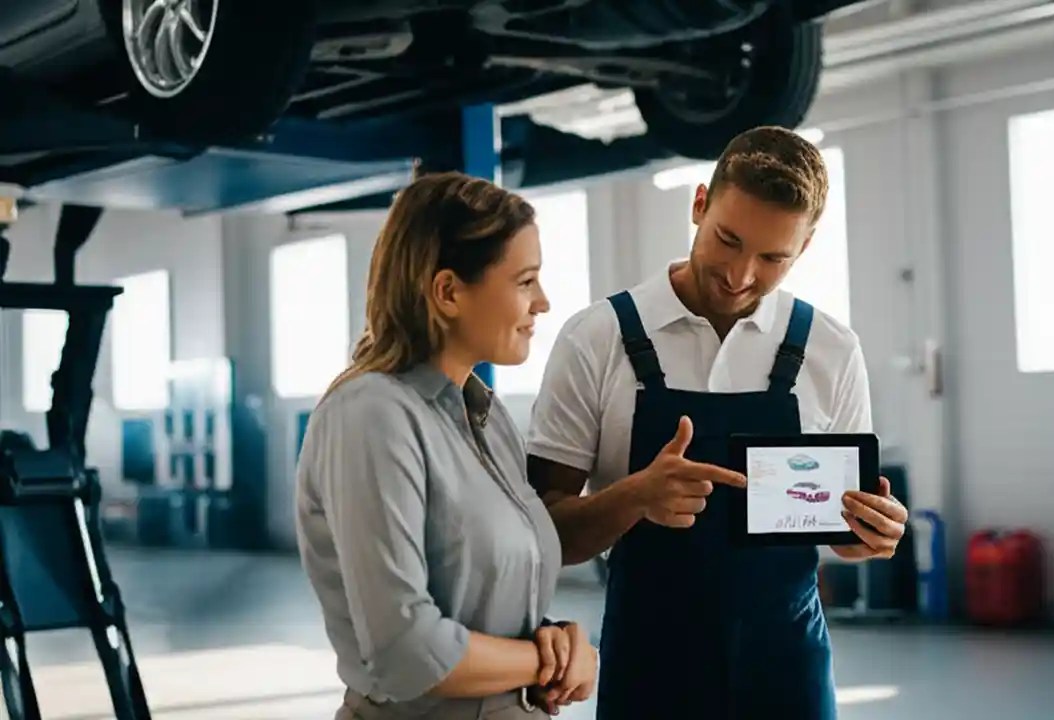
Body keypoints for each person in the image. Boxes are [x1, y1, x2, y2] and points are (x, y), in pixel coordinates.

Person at [526, 127, 909, 719]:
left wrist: (869, 534)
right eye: (727, 240)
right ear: (699, 204)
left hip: (788, 670)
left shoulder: (830, 350)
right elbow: (540, 535)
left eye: (772, 258)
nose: (739, 274)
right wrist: (633, 498)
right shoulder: (597, 339)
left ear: (804, 247)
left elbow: (839, 530)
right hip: (649, 667)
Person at [295, 171, 597, 720]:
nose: (543, 303)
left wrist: (555, 641)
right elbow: (404, 651)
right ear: (449, 291)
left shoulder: (485, 414)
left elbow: (486, 598)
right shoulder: (370, 416)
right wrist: (542, 662)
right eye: (525, 281)